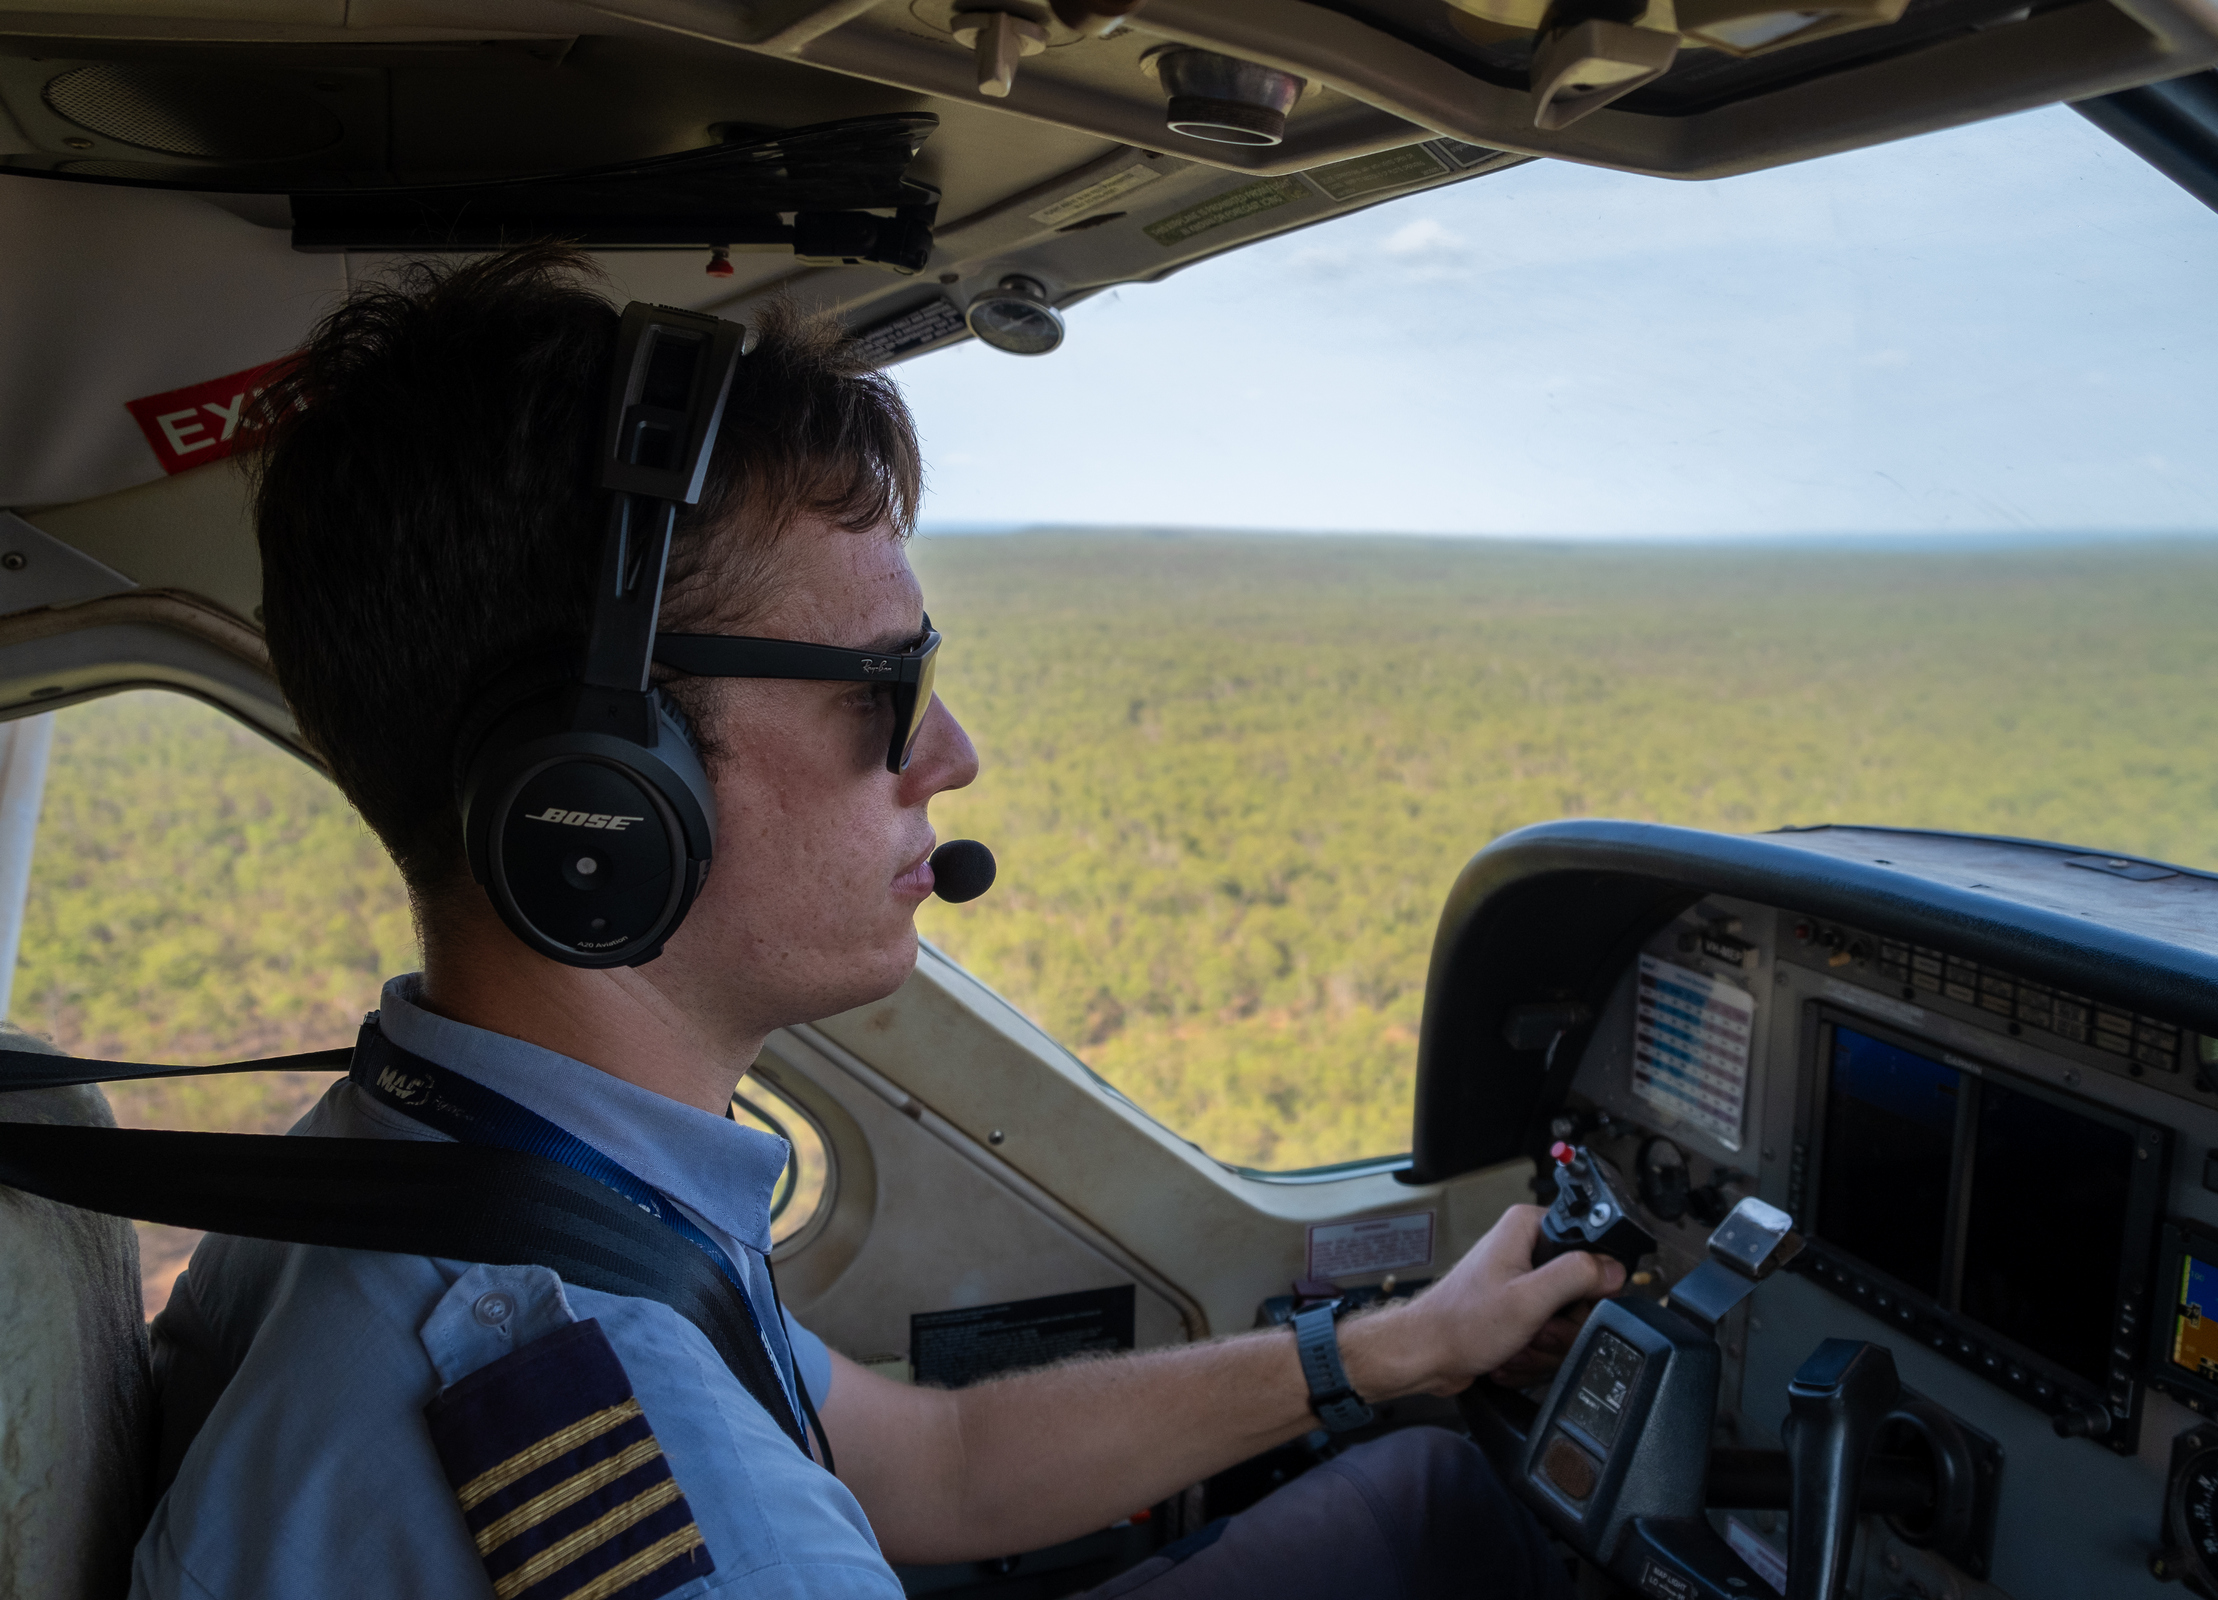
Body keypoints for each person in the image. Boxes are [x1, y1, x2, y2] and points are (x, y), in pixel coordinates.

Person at [132, 246, 1625, 1600]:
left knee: (1423, 1476)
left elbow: (935, 1464)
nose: (949, 751)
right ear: (594, 799)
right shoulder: (682, 1516)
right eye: (882, 684)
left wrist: (1385, 1351)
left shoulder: (436, 1162)